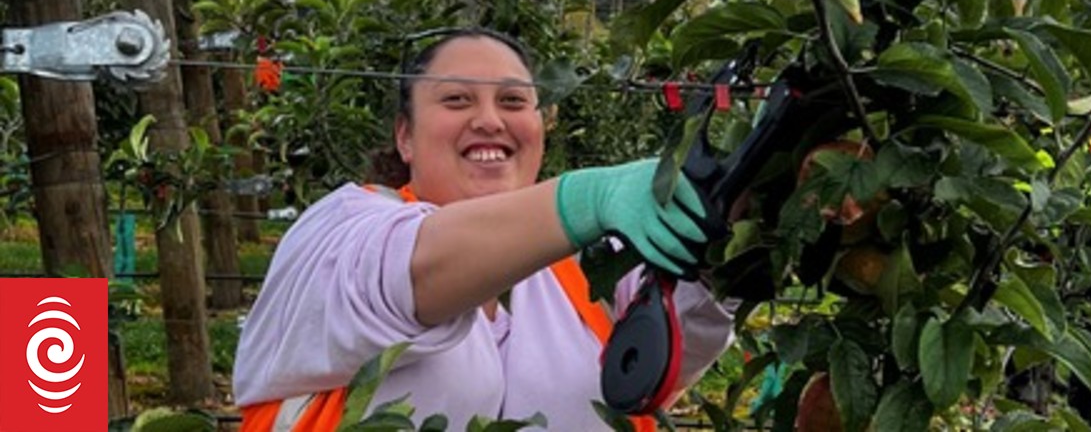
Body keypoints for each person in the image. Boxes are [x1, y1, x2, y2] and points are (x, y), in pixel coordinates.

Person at [233, 28, 736, 431]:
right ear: (405, 137)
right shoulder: (341, 231)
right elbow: (408, 270)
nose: (490, 120)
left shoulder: (590, 271)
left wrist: (741, 217)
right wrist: (582, 198)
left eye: (515, 102)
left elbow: (672, 340)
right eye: (456, 100)